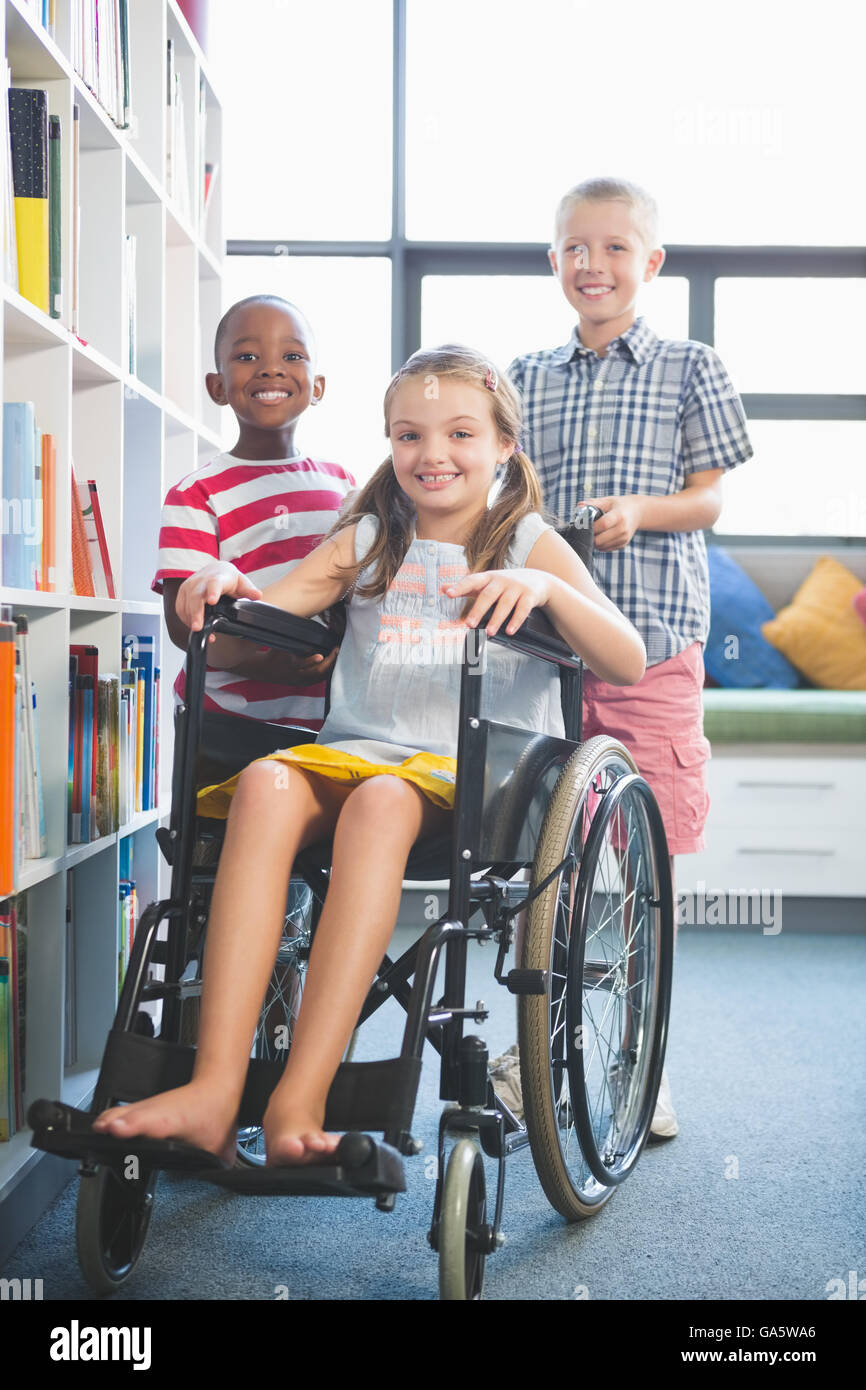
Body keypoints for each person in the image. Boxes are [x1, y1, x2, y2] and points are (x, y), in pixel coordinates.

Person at [93, 344, 646, 1166]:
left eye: (461, 433)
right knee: (270, 780)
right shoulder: (369, 536)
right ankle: (213, 1090)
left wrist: (551, 591)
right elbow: (271, 613)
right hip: (354, 753)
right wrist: (220, 586)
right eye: (409, 435)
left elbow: (627, 660)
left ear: (504, 447)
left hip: (477, 775)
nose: (433, 454)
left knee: (383, 800)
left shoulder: (524, 539)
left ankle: (299, 1101)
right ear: (389, 444)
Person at [508, 177, 754, 1137]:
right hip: (548, 653)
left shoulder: (691, 366)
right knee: (545, 853)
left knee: (642, 859)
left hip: (651, 642)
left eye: (614, 248)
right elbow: (504, 494)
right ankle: (537, 1041)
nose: (593, 265)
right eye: (575, 247)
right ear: (553, 262)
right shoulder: (524, 377)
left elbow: (710, 499)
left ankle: (640, 1056)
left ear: (650, 263)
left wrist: (640, 513)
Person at [153, 294, 356, 734]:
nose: (270, 368)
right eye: (247, 356)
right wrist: (268, 663)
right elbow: (180, 623)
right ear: (218, 386)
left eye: (292, 355)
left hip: (329, 724)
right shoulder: (197, 494)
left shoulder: (344, 486)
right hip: (227, 724)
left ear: (317, 386)